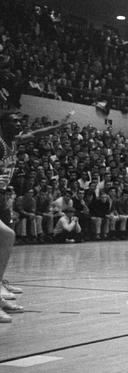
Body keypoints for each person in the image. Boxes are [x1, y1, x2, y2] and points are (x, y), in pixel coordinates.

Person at [1, 110, 73, 322]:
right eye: (14, 121)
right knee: (6, 236)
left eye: (20, 121)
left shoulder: (14, 141)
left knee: (6, 237)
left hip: (2, 196)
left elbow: (37, 134)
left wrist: (58, 126)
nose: (19, 124)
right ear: (2, 124)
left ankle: (0, 284)